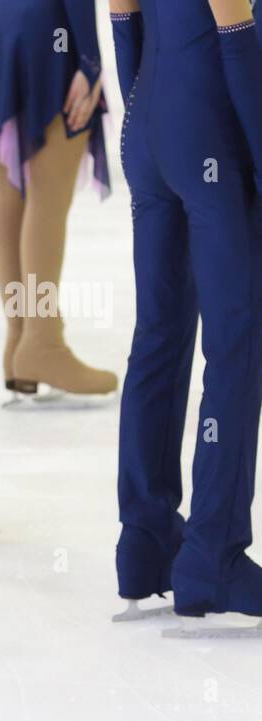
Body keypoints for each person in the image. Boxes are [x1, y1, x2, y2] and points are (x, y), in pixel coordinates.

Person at [111, 0, 262, 634]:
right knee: (236, 341)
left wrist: (145, 111)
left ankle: (145, 545)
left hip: (153, 115)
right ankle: (212, 556)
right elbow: (232, 18)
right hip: (210, 119)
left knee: (159, 338)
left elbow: (122, 11)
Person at [0, 0, 119, 407]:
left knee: (15, 191)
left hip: (4, 26)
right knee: (46, 198)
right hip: (47, 30)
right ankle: (42, 342)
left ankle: (21, 340)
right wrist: (89, 60)